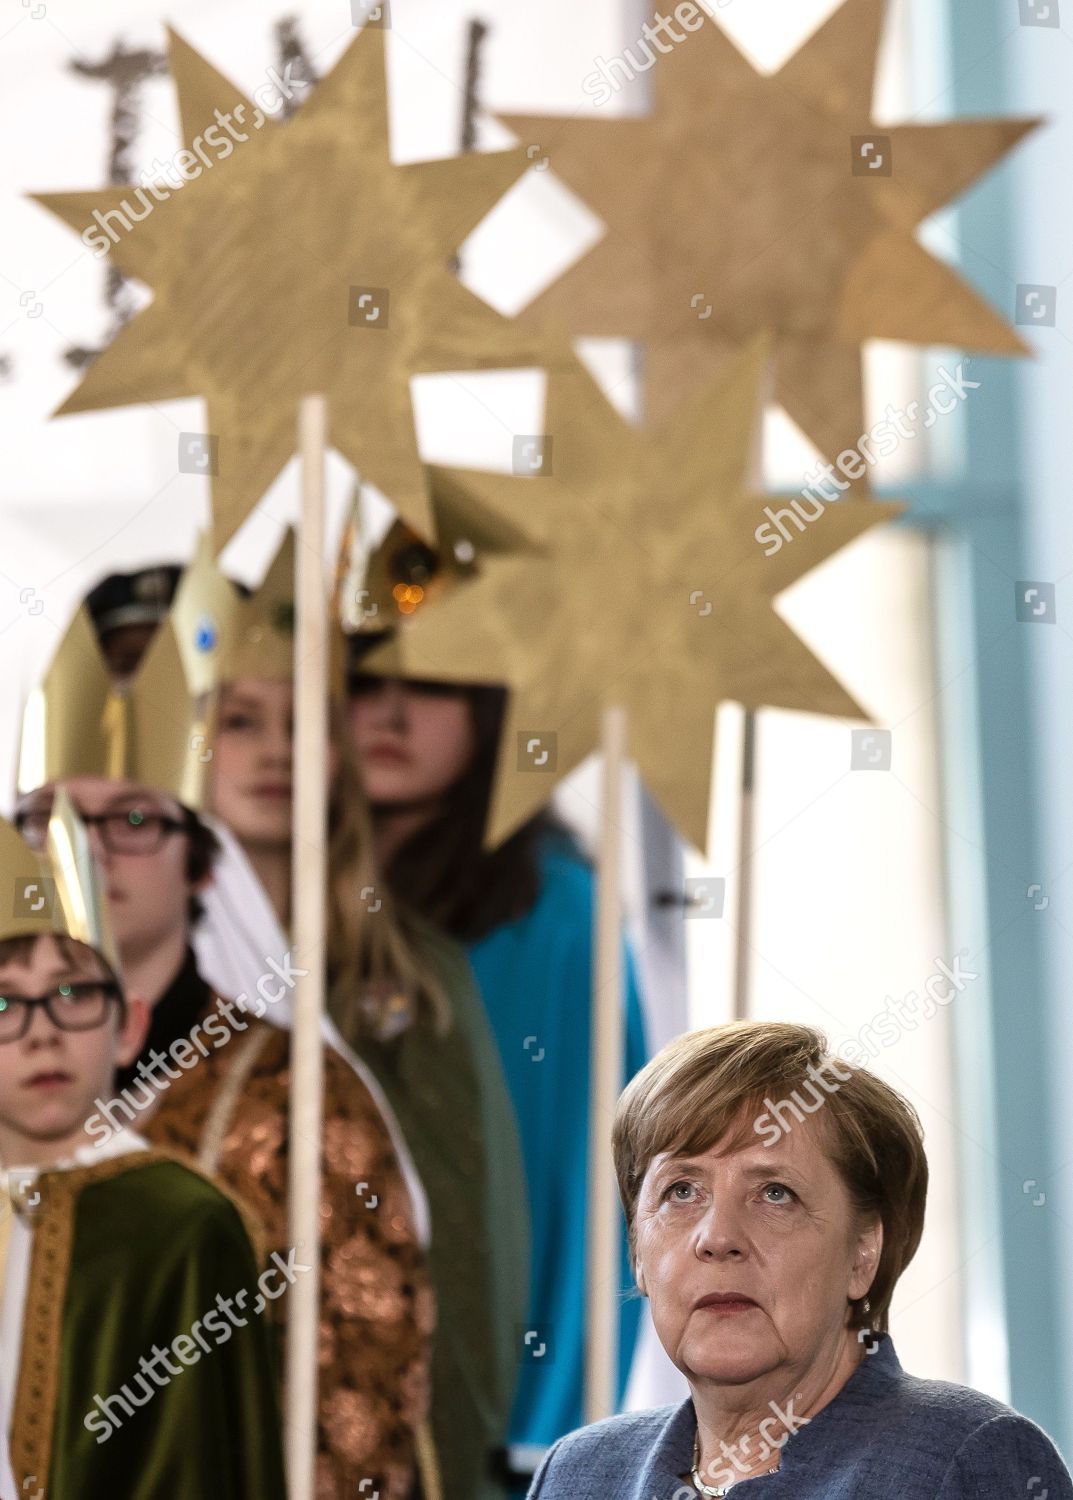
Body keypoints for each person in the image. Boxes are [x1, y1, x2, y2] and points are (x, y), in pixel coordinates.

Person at [16, 600, 433, 1500]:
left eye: (130, 821)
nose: (84, 854)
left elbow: (363, 1410)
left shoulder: (307, 1105)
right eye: (51, 820)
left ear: (202, 862)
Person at [203, 533, 530, 1500]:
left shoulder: (408, 973)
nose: (274, 753)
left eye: (304, 723)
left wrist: (459, 1467)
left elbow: (469, 1251)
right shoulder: (119, 968)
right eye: (239, 720)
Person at [528, 1020, 1073, 1498]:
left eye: (774, 1193)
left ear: (864, 1253)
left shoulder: (967, 1461)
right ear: (637, 1253)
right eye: (681, 1191)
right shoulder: (578, 1474)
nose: (718, 1237)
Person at [348, 666, 648, 1491]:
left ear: (490, 712)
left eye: (433, 685)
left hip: (492, 1420)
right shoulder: (296, 900)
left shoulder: (555, 913)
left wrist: (542, 1432)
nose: (392, 714)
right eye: (365, 682)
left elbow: (588, 1189)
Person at [0, 799, 286, 1500]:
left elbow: (200, 1463)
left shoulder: (181, 1223)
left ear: (129, 1027)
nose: (42, 1034)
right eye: (4, 1003)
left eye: (72, 993)